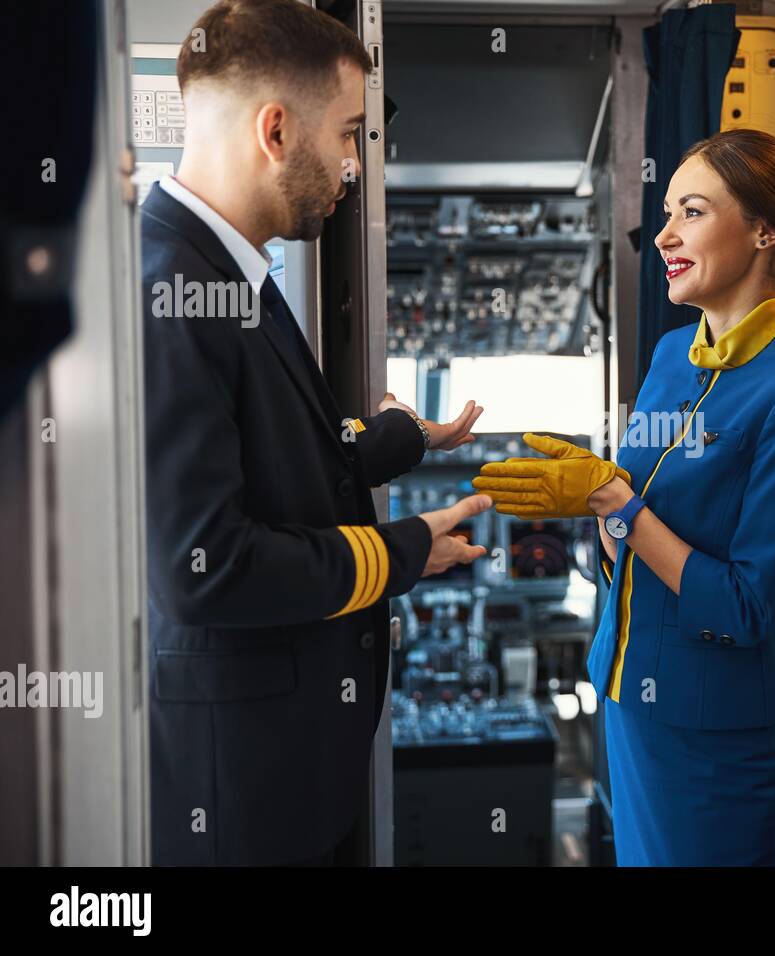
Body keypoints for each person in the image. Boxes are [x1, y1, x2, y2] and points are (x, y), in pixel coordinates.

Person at [142, 0, 490, 866]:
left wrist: (406, 441)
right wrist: (402, 551)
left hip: (283, 772)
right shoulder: (174, 293)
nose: (351, 166)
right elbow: (209, 569)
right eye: (348, 134)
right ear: (275, 129)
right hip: (244, 800)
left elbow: (279, 460)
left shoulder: (228, 269)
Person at [474, 128, 775, 865]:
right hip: (626, 699)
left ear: (766, 229)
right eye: (668, 212)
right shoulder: (670, 356)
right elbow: (634, 531)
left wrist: (616, 503)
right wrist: (599, 510)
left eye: (693, 212)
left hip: (717, 734)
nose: (665, 235)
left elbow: (747, 606)